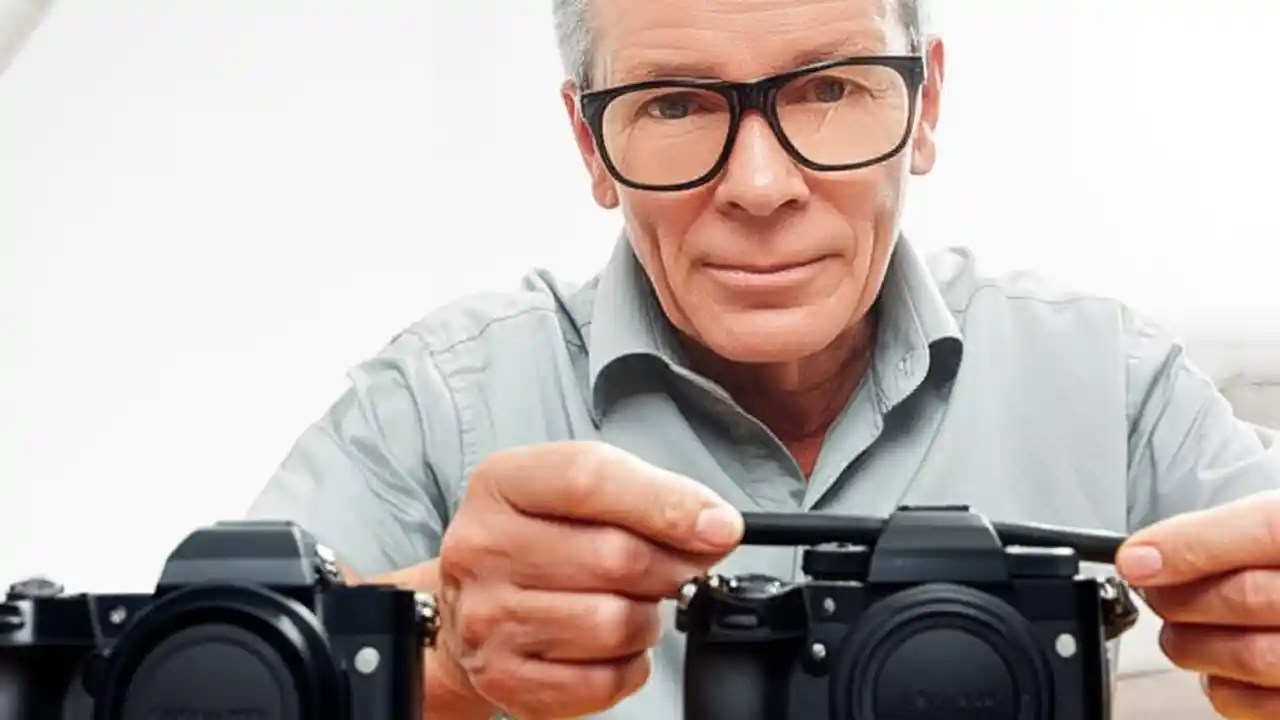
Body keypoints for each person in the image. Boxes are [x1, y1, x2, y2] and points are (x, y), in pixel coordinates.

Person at [246, 0, 1280, 718]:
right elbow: (179, 681)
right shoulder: (436, 409)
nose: (756, 184)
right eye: (674, 104)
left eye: (829, 88)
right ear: (585, 144)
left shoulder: (1104, 380)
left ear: (921, 110)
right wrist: (437, 648)